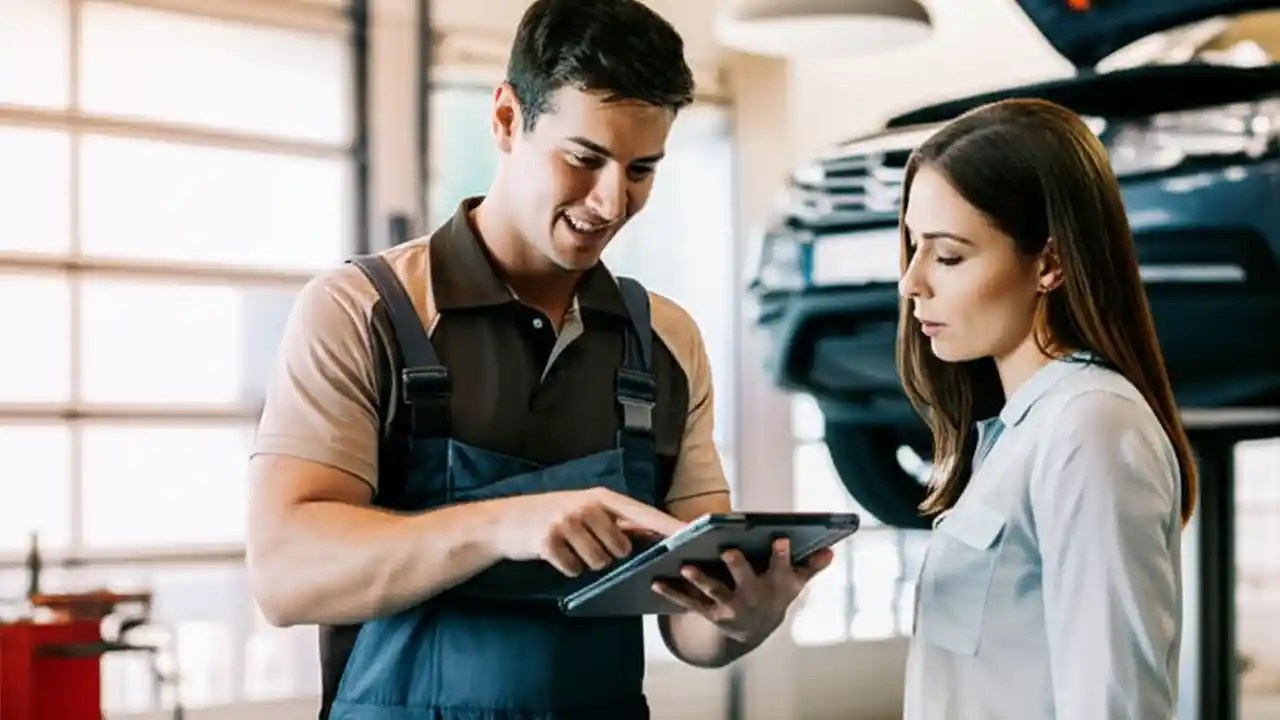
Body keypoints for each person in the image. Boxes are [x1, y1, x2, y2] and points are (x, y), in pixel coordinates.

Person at [245, 1, 831, 718]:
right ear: (505, 120)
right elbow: (285, 576)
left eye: (641, 170)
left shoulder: (666, 341)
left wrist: (743, 616)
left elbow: (691, 624)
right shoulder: (361, 312)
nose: (611, 201)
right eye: (584, 159)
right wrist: (504, 526)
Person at [895, 98, 1196, 720]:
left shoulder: (1091, 426)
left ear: (1050, 263)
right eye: (913, 246)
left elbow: (1116, 704)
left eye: (948, 256)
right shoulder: (1016, 433)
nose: (911, 282)